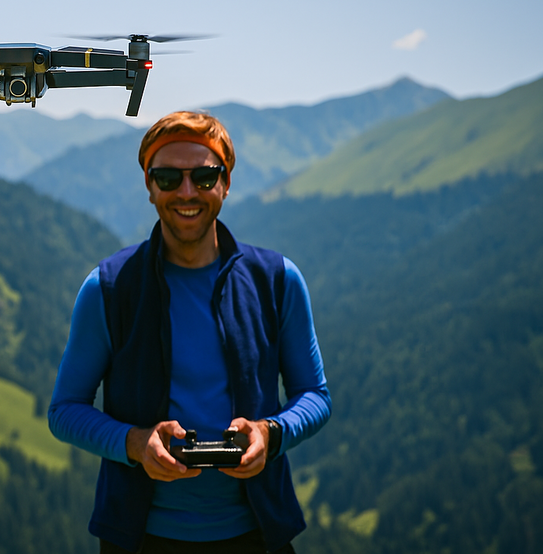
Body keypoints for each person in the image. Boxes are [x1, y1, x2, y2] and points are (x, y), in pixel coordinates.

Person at [48, 111, 331, 554]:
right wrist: (135, 444)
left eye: (204, 176)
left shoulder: (277, 280)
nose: (186, 192)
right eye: (167, 177)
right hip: (139, 537)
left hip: (258, 533)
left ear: (226, 183)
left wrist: (270, 434)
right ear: (148, 186)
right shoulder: (108, 288)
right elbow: (64, 410)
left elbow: (315, 395)